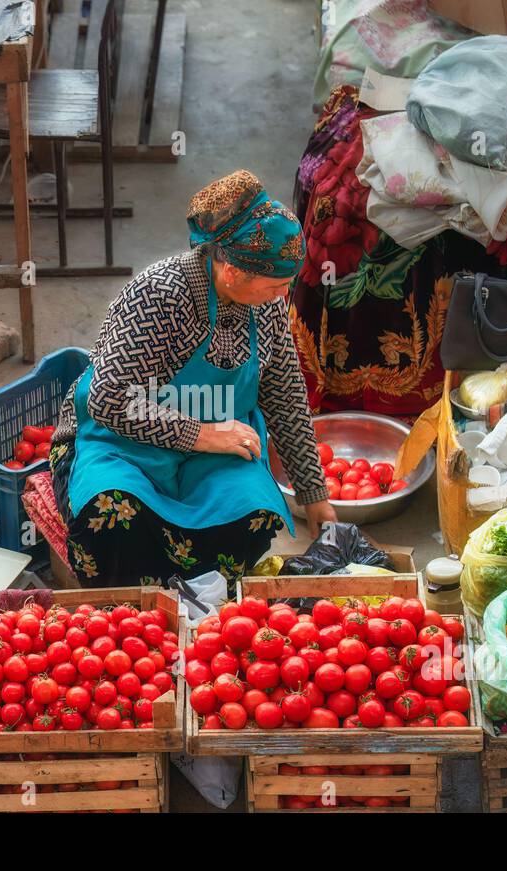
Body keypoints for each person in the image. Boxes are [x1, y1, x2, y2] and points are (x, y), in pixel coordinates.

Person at [50, 170, 337, 587]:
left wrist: (314, 494)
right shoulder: (159, 295)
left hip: (210, 450)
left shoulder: (268, 307)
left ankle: (202, 616)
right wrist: (201, 434)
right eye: (276, 285)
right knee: (111, 518)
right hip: (121, 446)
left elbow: (285, 394)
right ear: (232, 273)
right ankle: (137, 619)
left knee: (252, 517)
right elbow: (109, 399)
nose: (283, 296)